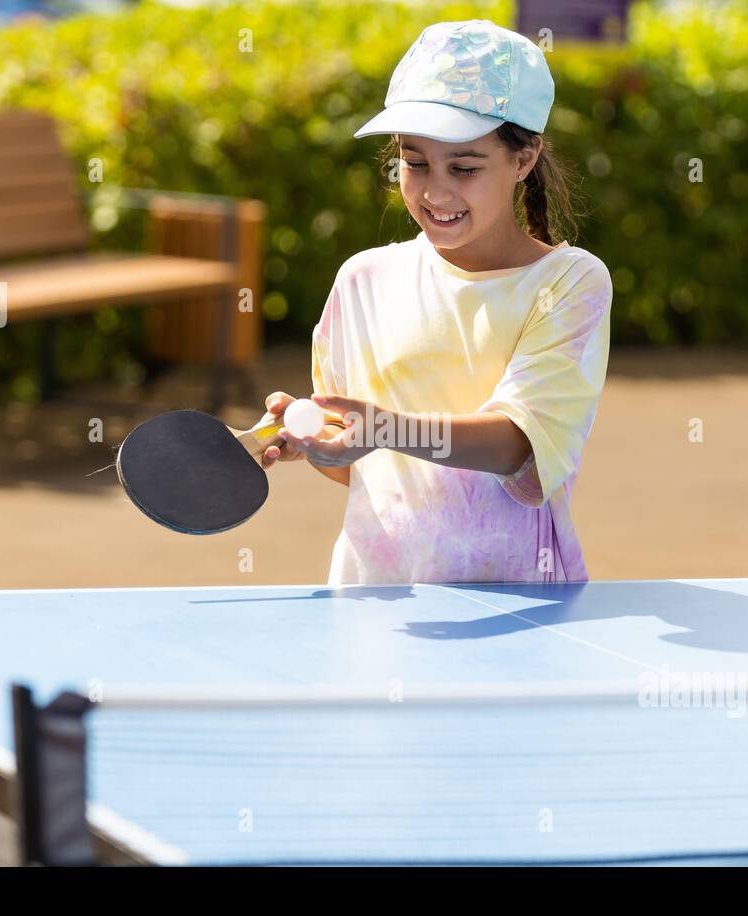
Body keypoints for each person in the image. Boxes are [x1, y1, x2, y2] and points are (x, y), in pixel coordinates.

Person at [261, 19, 613, 585]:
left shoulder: (572, 283)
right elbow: (364, 469)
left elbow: (518, 445)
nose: (435, 191)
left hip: (521, 600)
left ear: (523, 159)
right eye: (415, 161)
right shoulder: (361, 280)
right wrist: (320, 444)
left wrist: (385, 428)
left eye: (465, 167)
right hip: (377, 598)